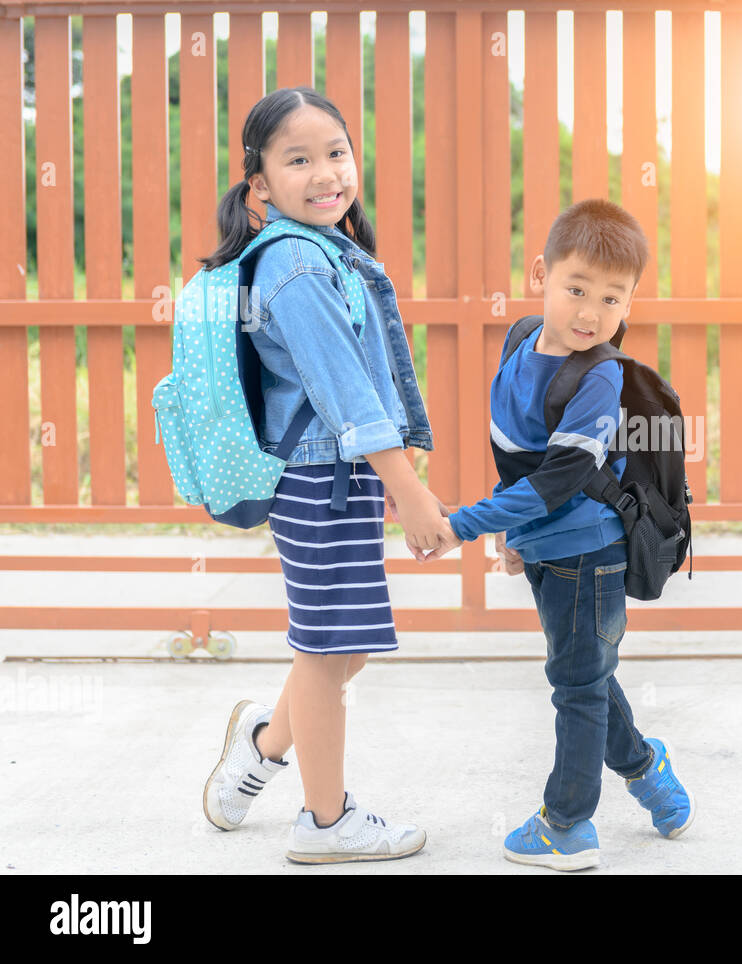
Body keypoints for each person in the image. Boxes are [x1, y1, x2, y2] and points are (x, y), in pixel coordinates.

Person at [197, 86, 455, 864]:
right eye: (298, 159)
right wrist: (407, 489)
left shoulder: (323, 249)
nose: (325, 173)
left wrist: (392, 480)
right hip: (322, 477)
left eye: (336, 152)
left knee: (342, 646)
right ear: (260, 186)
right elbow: (346, 392)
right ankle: (325, 820)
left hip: (336, 478)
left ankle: (262, 746)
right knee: (326, 652)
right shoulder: (296, 264)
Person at [431, 198, 695, 871]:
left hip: (591, 552)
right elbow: (514, 450)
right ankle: (646, 765)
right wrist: (513, 534)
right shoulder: (521, 339)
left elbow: (558, 480)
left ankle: (567, 824)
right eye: (576, 289)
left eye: (611, 299)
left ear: (630, 301)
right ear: (539, 274)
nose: (589, 312)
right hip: (547, 550)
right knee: (586, 672)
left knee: (576, 685)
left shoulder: (601, 378)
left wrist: (459, 525)